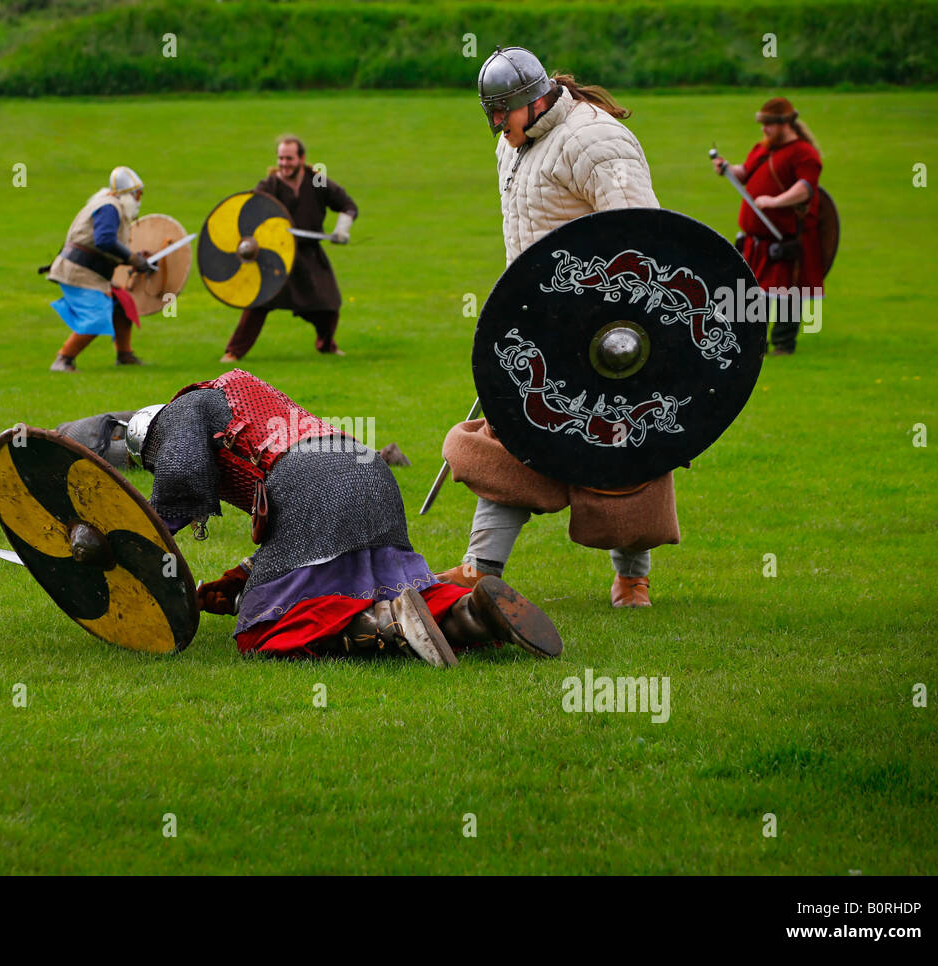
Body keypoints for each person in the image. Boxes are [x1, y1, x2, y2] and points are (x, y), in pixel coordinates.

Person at [68, 369, 563, 666]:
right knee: (377, 577)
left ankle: (387, 626)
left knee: (268, 628)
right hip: (369, 474)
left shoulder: (181, 412)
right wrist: (240, 578)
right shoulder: (235, 390)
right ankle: (469, 613)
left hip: (316, 486)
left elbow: (182, 474)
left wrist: (136, 533)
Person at [436, 45, 680, 609]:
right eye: (491, 115)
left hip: (609, 334)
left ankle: (632, 578)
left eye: (503, 113)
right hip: (537, 327)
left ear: (534, 99)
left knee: (626, 448)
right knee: (514, 436)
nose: (497, 126)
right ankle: (480, 567)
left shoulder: (597, 141)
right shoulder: (512, 144)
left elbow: (641, 240)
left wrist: (619, 330)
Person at [220, 137, 357, 362]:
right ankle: (233, 351)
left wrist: (343, 227)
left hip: (309, 254)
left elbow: (347, 205)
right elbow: (248, 214)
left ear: (301, 159)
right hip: (275, 255)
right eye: (281, 158)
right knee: (259, 304)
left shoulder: (317, 181)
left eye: (289, 158)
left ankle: (326, 345)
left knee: (329, 304)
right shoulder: (268, 186)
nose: (284, 163)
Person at [711, 97, 824, 356]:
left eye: (769, 125)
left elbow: (806, 187)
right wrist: (728, 169)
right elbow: (745, 172)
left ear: (785, 124)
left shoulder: (804, 153)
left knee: (786, 294)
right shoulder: (762, 148)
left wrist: (775, 201)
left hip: (784, 239)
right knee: (751, 293)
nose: (764, 130)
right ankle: (754, 343)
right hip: (755, 238)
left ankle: (783, 345)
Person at [45, 166, 156, 371]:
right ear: (129, 194)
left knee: (123, 305)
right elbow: (104, 241)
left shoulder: (108, 204)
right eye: (138, 194)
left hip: (91, 270)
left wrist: (136, 260)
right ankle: (63, 359)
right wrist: (133, 259)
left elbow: (106, 246)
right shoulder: (110, 207)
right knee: (96, 318)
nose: (139, 199)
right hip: (80, 270)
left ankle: (124, 355)